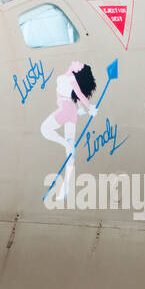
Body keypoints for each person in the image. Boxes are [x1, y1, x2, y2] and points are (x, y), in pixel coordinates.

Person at [40, 61, 98, 201]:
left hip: (66, 109)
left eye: (80, 66)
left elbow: (80, 94)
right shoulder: (68, 76)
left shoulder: (71, 77)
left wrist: (90, 108)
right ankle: (66, 187)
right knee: (70, 155)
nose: (78, 63)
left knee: (45, 129)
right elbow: (77, 97)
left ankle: (66, 144)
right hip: (71, 111)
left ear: (77, 71)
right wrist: (82, 109)